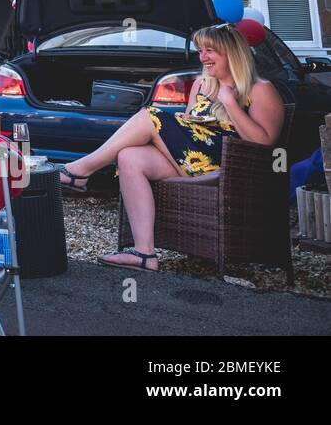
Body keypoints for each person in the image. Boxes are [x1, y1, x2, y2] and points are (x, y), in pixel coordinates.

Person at [56, 23, 284, 272]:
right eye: (200, 50)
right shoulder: (201, 85)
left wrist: (230, 102)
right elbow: (191, 126)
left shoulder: (259, 89)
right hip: (191, 160)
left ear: (232, 53)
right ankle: (144, 254)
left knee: (150, 115)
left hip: (227, 169)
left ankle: (80, 170)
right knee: (130, 156)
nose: (203, 57)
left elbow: (264, 144)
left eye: (210, 50)